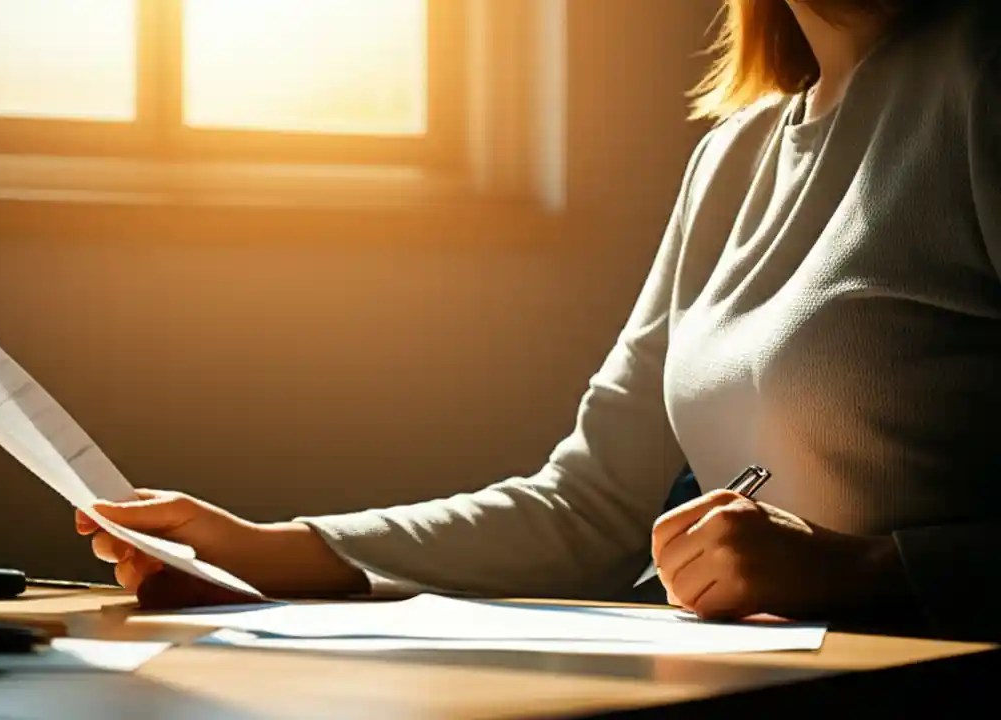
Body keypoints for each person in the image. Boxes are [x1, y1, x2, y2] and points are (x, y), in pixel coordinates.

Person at [77, 0, 1001, 639]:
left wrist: (867, 572)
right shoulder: (734, 154)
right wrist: (274, 550)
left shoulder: (977, 78)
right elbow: (590, 505)